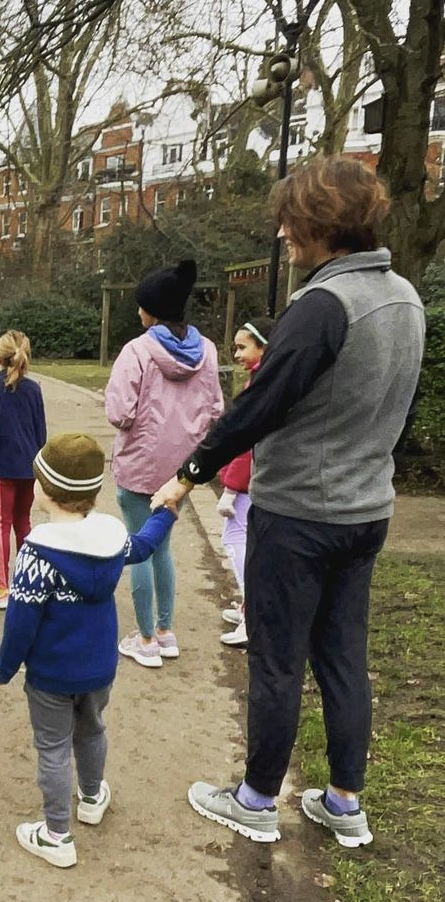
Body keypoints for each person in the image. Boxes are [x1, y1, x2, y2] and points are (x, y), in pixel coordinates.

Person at [151, 159, 424, 848]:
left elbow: (258, 407)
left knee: (277, 659)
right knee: (342, 657)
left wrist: (188, 472)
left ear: (321, 225)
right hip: (366, 510)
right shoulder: (404, 299)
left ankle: (255, 798)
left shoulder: (321, 307)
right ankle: (344, 801)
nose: (283, 234)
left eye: (291, 223)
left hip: (301, 513)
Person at [0, 432, 176, 868]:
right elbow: (143, 544)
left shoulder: (37, 553)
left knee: (52, 747)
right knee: (92, 729)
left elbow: (20, 623)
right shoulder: (110, 539)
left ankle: (56, 835)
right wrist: (165, 512)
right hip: (99, 668)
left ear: (43, 491)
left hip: (51, 674)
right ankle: (91, 797)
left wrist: (3, 668)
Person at [103, 258, 222, 669]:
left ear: (151, 310)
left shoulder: (137, 351)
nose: (138, 312)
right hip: (182, 472)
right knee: (164, 548)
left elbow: (119, 411)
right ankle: (167, 631)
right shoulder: (207, 352)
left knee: (138, 548)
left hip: (139, 467)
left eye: (141, 306)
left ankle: (147, 638)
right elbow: (216, 408)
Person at [0, 330, 47, 610]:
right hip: (29, 469)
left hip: (1, 469)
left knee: (0, 526)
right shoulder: (34, 389)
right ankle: (28, 582)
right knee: (23, 523)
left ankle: (1, 588)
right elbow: (41, 433)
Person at [215, 316, 274, 649]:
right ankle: (248, 606)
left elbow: (246, 442)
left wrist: (231, 487)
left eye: (242, 347)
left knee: (235, 539)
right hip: (258, 480)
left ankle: (254, 611)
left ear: (262, 346)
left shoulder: (260, 385)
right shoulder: (268, 378)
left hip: (249, 482)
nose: (236, 354)